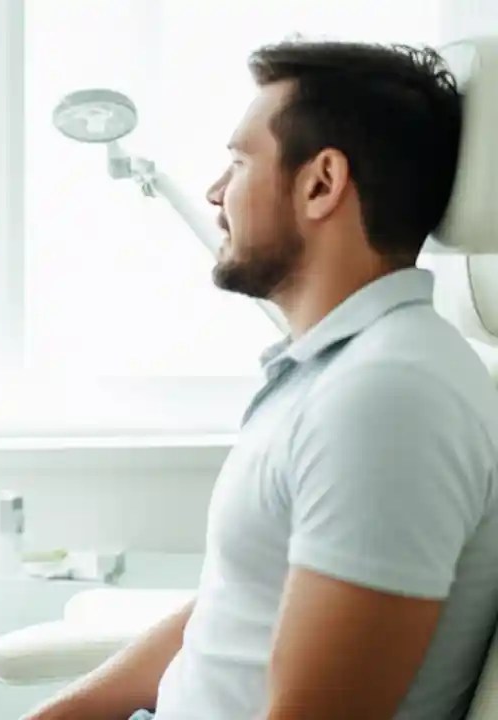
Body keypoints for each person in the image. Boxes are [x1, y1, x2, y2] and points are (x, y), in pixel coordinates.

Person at [27, 39, 498, 719]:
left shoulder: (390, 400)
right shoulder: (337, 371)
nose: (216, 193)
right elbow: (238, 602)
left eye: (240, 162)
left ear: (321, 184)